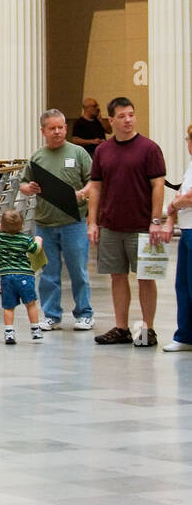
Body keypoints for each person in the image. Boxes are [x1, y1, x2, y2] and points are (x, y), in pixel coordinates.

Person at [88, 97, 167, 346]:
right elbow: (96, 189)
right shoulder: (103, 151)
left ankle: (148, 328)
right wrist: (93, 222)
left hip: (143, 226)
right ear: (111, 120)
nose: (128, 120)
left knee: (146, 276)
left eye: (131, 114)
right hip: (111, 225)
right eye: (121, 116)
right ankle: (121, 327)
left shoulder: (149, 148)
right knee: (117, 276)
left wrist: (156, 220)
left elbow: (158, 185)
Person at [19, 109, 94, 331]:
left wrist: (81, 194)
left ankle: (84, 313)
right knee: (48, 273)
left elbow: (94, 181)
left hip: (74, 221)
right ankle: (51, 315)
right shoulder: (37, 157)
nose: (58, 132)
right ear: (43, 131)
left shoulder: (79, 153)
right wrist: (29, 188)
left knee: (78, 269)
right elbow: (23, 184)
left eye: (61, 127)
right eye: (52, 128)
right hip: (45, 224)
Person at [0, 208, 44, 344]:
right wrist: (38, 240)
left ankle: (9, 332)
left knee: (8, 307)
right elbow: (36, 249)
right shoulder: (25, 239)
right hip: (25, 276)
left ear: (1, 225)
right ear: (22, 226)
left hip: (7, 277)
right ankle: (35, 329)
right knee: (30, 304)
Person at [159, 123, 192, 353]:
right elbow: (181, 195)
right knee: (183, 285)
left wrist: (178, 202)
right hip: (187, 228)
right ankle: (185, 335)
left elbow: (186, 198)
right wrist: (174, 208)